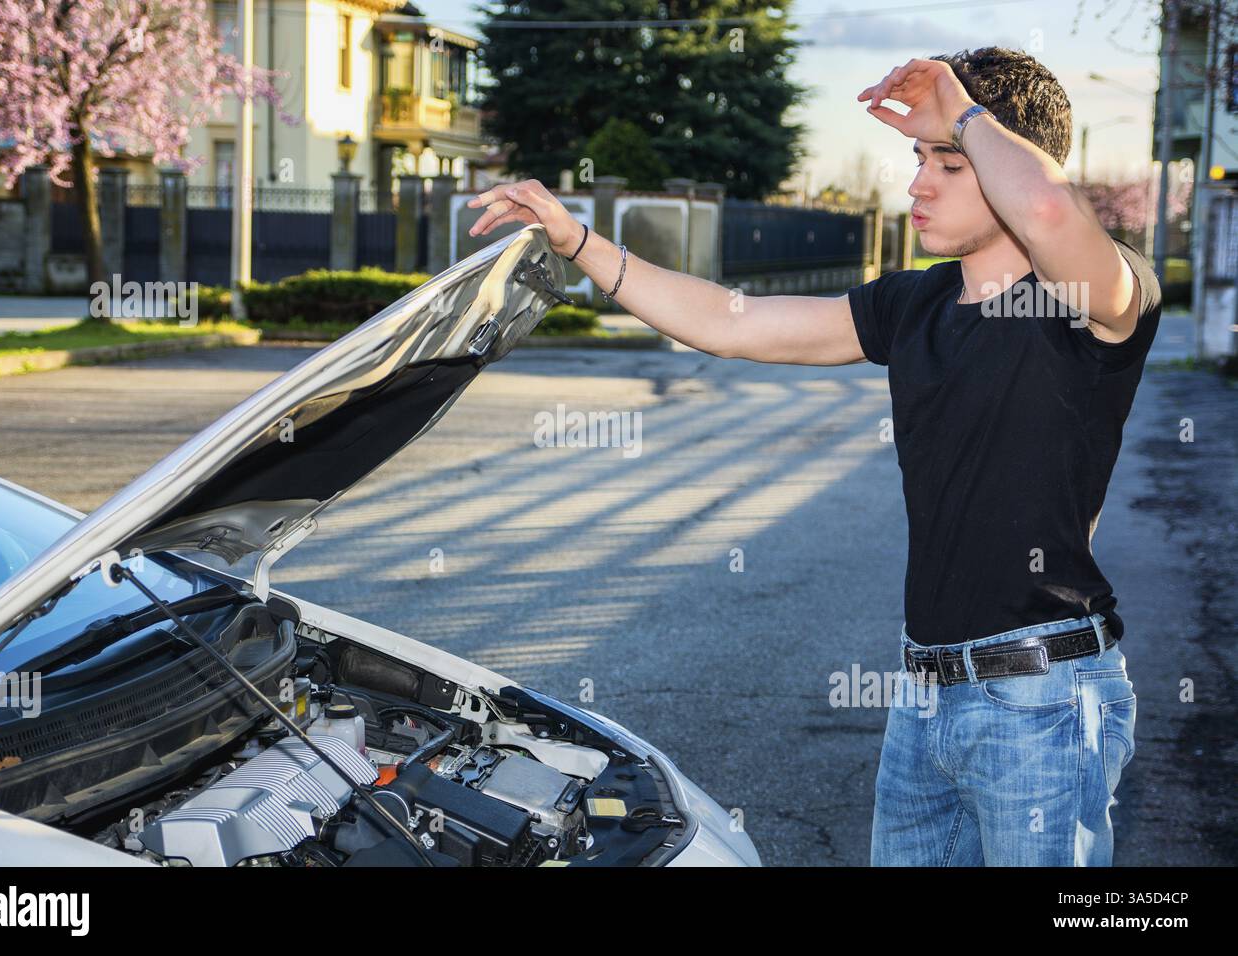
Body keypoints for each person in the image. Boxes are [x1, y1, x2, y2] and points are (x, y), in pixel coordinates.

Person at [467, 47, 1160, 866]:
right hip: (925, 695)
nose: (917, 186)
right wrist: (579, 241)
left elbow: (1047, 215)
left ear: (1013, 160)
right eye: (918, 160)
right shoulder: (913, 303)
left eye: (950, 164)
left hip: (1041, 699)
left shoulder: (1094, 301)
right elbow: (733, 322)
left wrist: (963, 113)